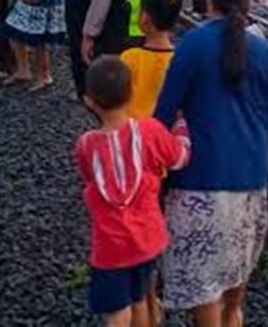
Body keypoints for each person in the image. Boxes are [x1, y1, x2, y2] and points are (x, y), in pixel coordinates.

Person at [154, 0, 268, 325]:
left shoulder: (193, 44)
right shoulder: (267, 53)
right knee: (237, 269)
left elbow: (164, 113)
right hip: (252, 178)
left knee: (205, 283)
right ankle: (234, 314)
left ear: (210, 2)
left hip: (199, 182)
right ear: (248, 4)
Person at [76, 58, 191, 327]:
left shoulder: (85, 145)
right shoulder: (150, 131)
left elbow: (89, 177)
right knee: (139, 299)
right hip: (147, 237)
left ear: (89, 101)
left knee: (117, 310)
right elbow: (179, 158)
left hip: (110, 246)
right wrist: (182, 127)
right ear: (131, 93)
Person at [118, 0, 182, 119]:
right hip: (165, 128)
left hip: (134, 128)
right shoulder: (180, 60)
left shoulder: (129, 58)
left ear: (145, 18)